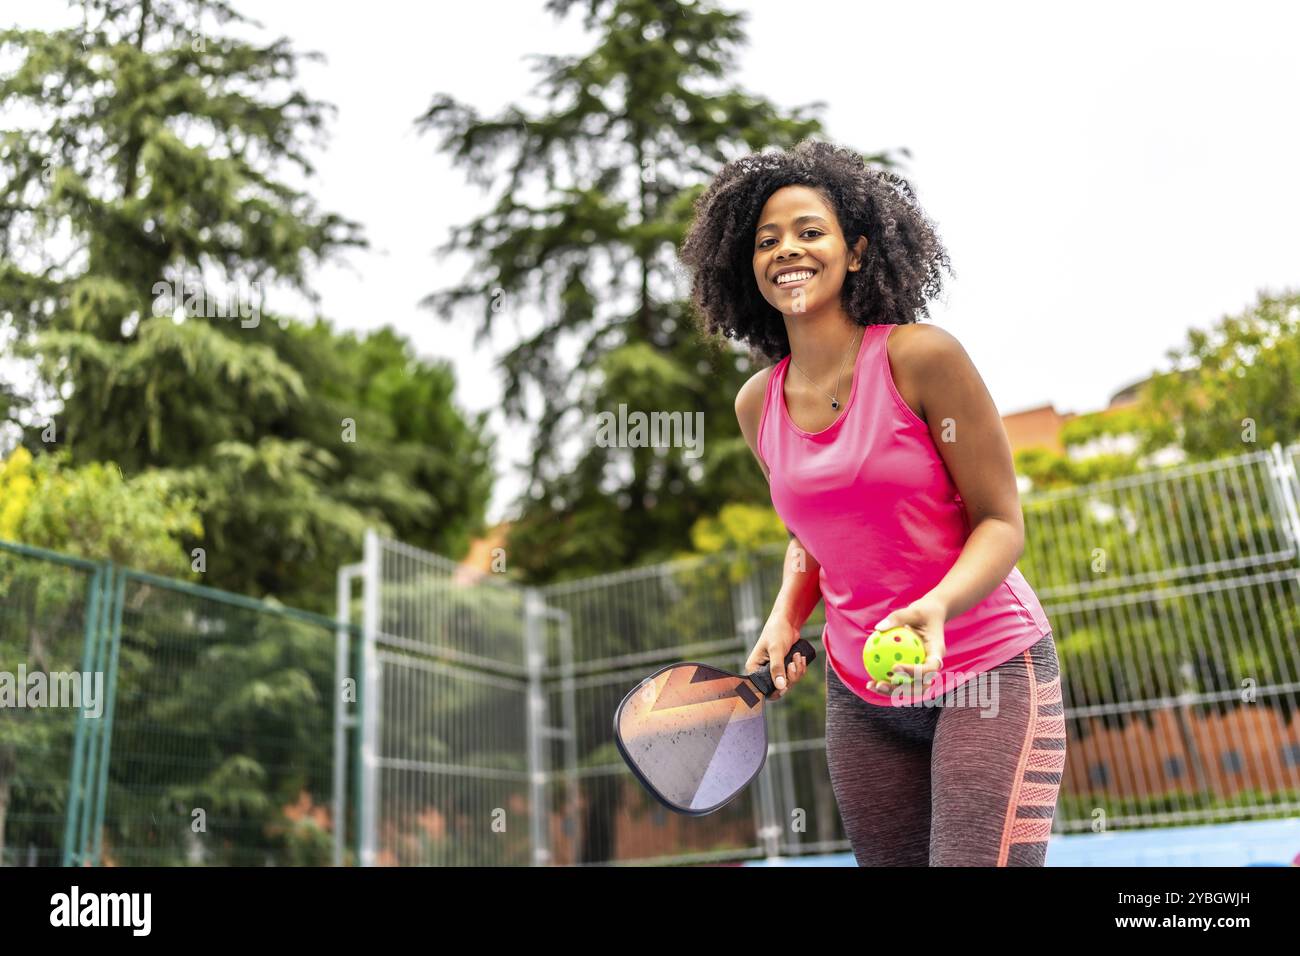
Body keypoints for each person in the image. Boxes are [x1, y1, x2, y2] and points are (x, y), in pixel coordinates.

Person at [679, 140, 1065, 866]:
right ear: (748, 267)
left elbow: (1000, 523)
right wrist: (786, 614)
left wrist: (938, 608)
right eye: (767, 240)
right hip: (862, 696)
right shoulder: (755, 404)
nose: (786, 249)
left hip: (987, 667)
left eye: (808, 231)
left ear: (856, 252)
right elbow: (815, 537)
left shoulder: (922, 358)